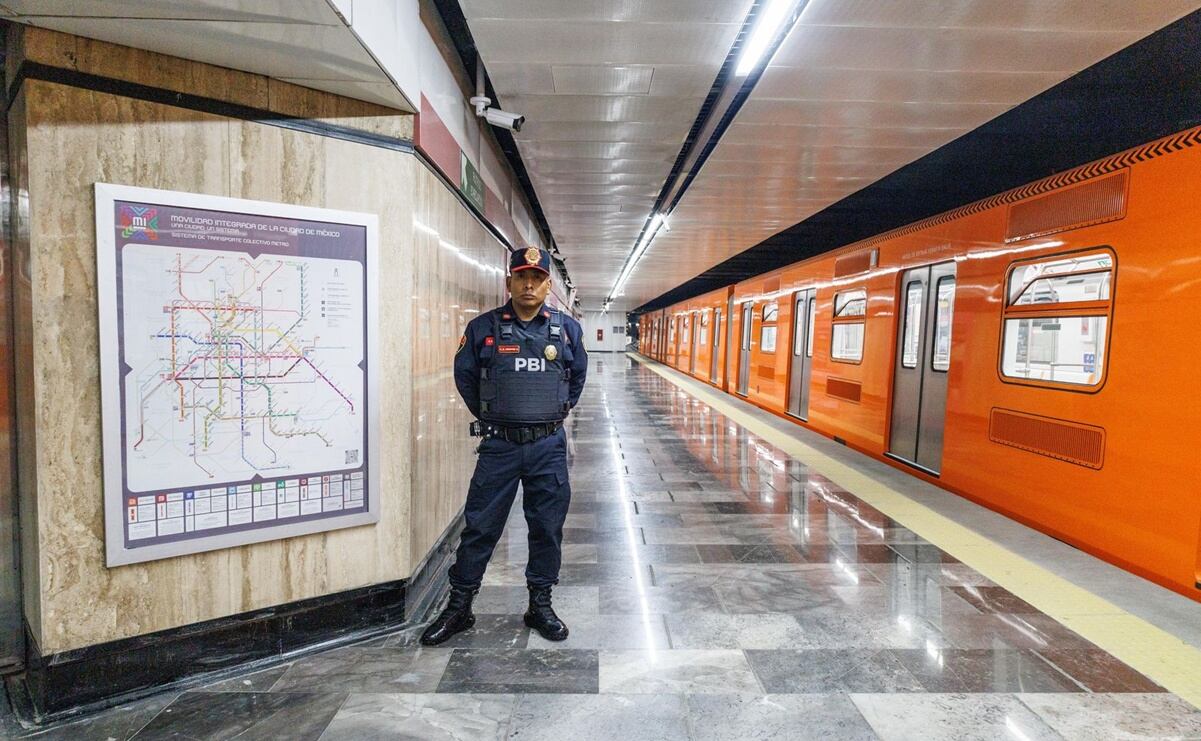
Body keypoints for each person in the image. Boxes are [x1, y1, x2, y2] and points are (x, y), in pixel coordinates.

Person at [421, 246, 587, 645]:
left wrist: (552, 413)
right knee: (480, 527)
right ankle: (459, 607)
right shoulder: (483, 328)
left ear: (547, 284)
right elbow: (466, 379)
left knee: (546, 528)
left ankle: (540, 606)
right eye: (522, 277)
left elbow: (577, 378)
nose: (529, 284)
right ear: (509, 281)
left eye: (537, 278)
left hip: (547, 445)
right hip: (500, 446)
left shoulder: (567, 330)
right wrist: (496, 414)